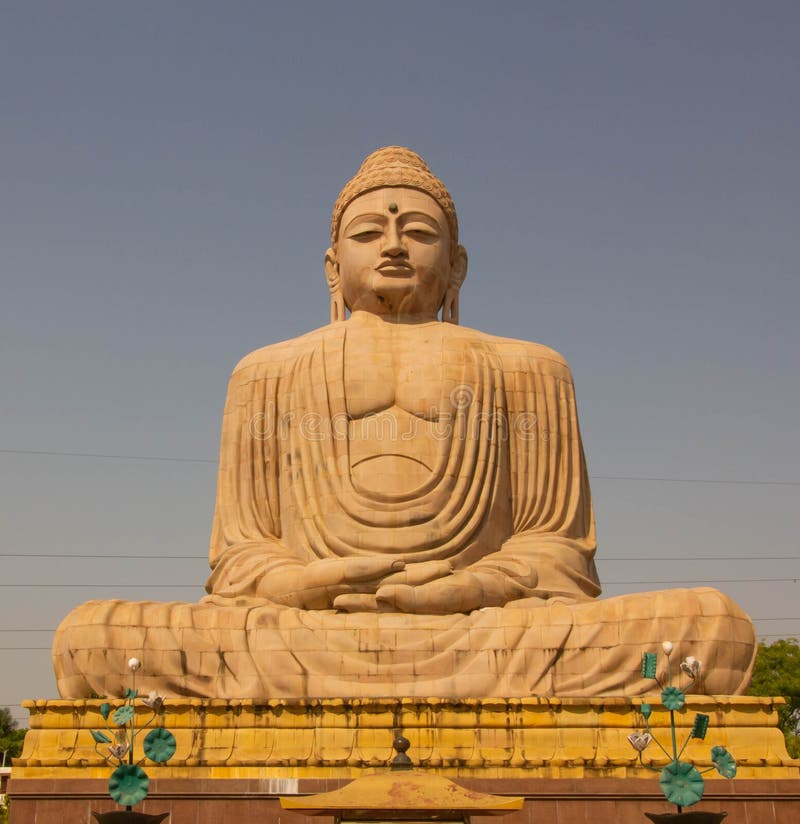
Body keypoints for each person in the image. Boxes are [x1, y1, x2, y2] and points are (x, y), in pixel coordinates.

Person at [53, 147, 756, 699]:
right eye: (369, 231)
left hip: (486, 630)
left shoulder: (530, 369)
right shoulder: (264, 373)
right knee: (94, 640)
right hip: (305, 632)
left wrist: (473, 587)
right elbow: (241, 556)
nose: (393, 245)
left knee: (711, 629)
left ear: (457, 265)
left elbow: (556, 552)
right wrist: (301, 585)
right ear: (334, 266)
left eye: (419, 232)